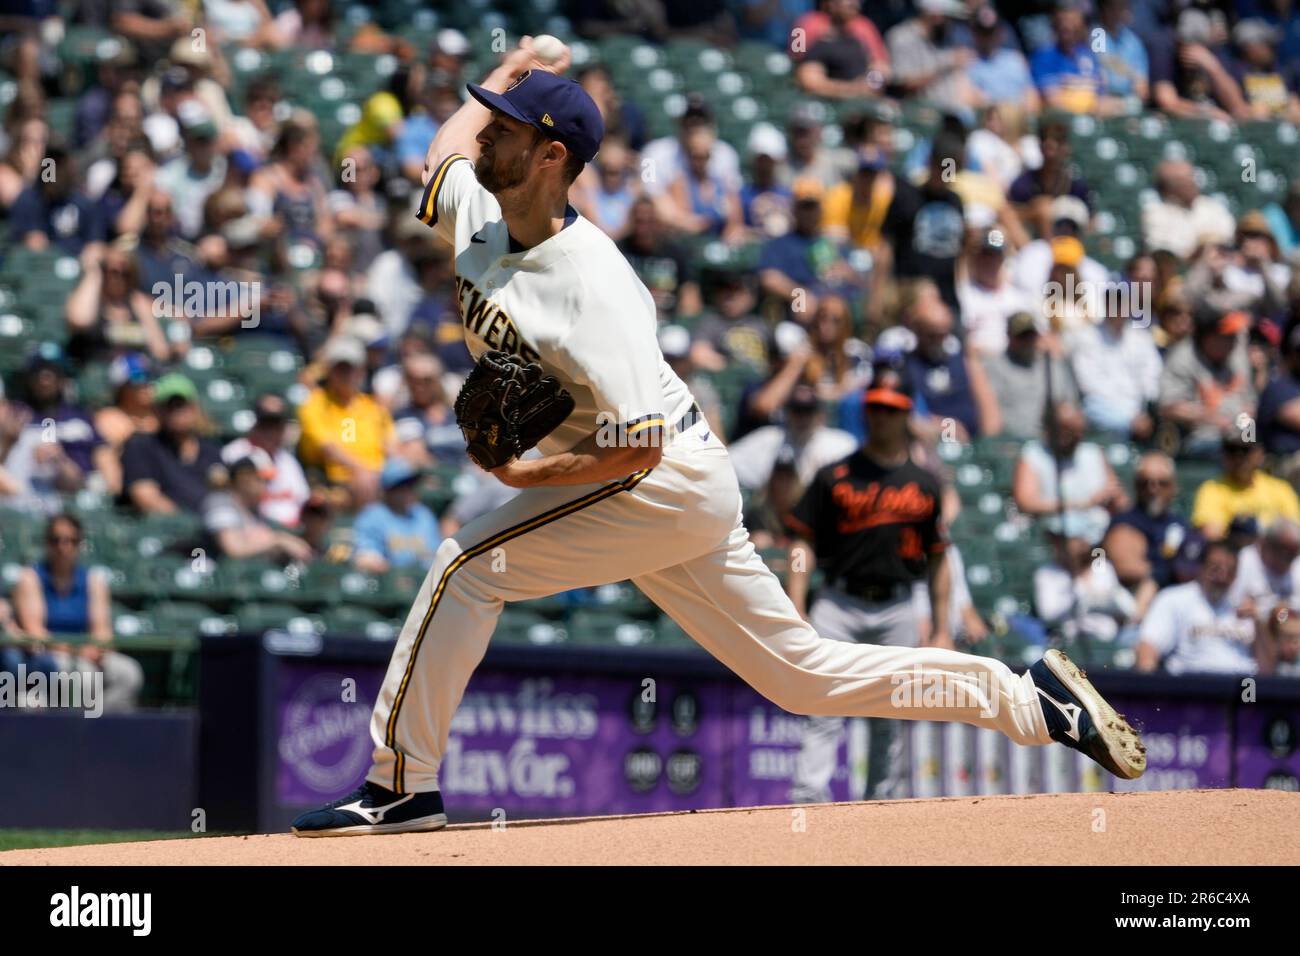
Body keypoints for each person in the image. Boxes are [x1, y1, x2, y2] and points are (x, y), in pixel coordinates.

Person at [290, 40, 1145, 837]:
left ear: (552, 158)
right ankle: (1031, 699)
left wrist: (530, 470)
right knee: (800, 676)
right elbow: (441, 147)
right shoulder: (481, 200)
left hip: (659, 477)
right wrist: (516, 65)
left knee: (466, 567)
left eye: (507, 126)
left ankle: (402, 783)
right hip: (668, 483)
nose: (488, 131)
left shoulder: (598, 291)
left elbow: (641, 446)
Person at [786, 368, 949, 803]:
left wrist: (942, 626)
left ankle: (880, 805)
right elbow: (803, 541)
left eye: (891, 409)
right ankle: (808, 799)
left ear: (906, 414)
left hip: (897, 608)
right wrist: (797, 602)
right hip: (838, 601)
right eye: (875, 407)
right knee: (822, 700)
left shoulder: (925, 483)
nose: (881, 417)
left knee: (889, 712)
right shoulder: (834, 475)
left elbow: (938, 558)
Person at [10, 514, 144, 712]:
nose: (64, 547)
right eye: (56, 540)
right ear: (47, 543)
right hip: (49, 655)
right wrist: (76, 651)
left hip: (86, 652)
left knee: (129, 673)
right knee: (84, 676)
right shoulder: (30, 578)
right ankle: (80, 734)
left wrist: (96, 649)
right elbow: (35, 632)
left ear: (80, 544)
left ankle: (99, 727)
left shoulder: (93, 581)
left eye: (71, 540)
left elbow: (103, 631)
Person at [296, 336, 396, 507]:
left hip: (377, 476)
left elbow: (392, 446)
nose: (347, 375)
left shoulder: (373, 407)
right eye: (340, 369)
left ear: (362, 371)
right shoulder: (315, 403)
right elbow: (328, 447)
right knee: (363, 481)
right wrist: (365, 470)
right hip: (334, 479)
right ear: (330, 372)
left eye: (351, 369)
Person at [1136, 538, 1259, 674]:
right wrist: (1149, 688)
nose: (1222, 577)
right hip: (1193, 687)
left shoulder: (1247, 607)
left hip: (1243, 689)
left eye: (1230, 571)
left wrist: (1260, 624)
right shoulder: (1174, 599)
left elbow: (1267, 668)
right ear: (1201, 567)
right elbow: (1148, 647)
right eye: (1215, 569)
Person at [1012, 401, 1128, 545]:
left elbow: (1120, 500)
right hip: (1055, 537)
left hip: (1099, 536)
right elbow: (1026, 502)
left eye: (1074, 428)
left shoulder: (1093, 453)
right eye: (1063, 427)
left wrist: (1112, 497)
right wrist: (1083, 503)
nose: (1068, 434)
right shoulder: (1034, 454)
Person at [1158, 304, 1256, 459]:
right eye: (1228, 336)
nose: (1235, 340)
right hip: (1202, 440)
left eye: (1235, 335)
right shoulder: (1182, 358)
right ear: (1208, 337)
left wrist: (1244, 429)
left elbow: (1249, 404)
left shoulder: (1237, 356)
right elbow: (1169, 407)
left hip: (1239, 436)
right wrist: (1213, 419)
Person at [120, 373, 225, 514]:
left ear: (195, 408)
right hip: (171, 530)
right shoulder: (141, 446)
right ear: (157, 411)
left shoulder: (212, 449)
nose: (177, 411)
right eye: (169, 406)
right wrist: (190, 523)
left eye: (181, 404)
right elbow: (146, 497)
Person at [1069, 284, 1162, 440]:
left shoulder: (1142, 338)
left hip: (1138, 410)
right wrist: (1130, 418)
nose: (1117, 308)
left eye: (1121, 303)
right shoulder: (1086, 336)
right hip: (1101, 408)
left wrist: (1143, 411)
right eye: (1112, 302)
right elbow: (1088, 385)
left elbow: (1152, 377)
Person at [1102, 452, 1189, 611]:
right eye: (1145, 483)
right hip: (1139, 602)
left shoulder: (1179, 523)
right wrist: (1172, 573)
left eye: (1161, 483)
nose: (1153, 489)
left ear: (1174, 486)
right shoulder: (1125, 522)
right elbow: (1127, 568)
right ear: (1135, 486)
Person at [727, 384, 858, 490]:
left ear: (820, 416)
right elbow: (726, 462)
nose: (802, 418)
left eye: (808, 412)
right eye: (797, 411)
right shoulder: (768, 439)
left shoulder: (842, 444)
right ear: (787, 414)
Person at [1191, 424, 1300, 540]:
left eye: (1245, 450)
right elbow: (1211, 534)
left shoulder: (1280, 489)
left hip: (1274, 554)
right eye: (1232, 450)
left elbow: (1294, 532)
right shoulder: (1212, 489)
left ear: (1260, 453)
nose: (1239, 458)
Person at [982, 311, 1078, 441]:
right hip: (1014, 442)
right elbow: (992, 415)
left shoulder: (1052, 364)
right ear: (1009, 336)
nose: (1027, 341)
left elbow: (1069, 405)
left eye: (1031, 335)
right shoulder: (995, 367)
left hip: (1053, 441)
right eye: (1022, 336)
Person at [1033, 532, 1138, 651]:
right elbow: (1048, 614)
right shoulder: (1047, 573)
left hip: (1107, 638)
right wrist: (1081, 592)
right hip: (1068, 640)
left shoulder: (1102, 567)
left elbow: (1123, 606)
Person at [221, 394, 310, 528]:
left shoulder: (287, 460)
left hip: (292, 529)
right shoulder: (234, 453)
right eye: (266, 424)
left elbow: (303, 499)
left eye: (276, 425)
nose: (271, 431)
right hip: (252, 528)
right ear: (256, 423)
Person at [202, 457, 314, 563]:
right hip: (217, 577)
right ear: (244, 478)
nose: (266, 485)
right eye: (262, 479)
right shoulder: (219, 502)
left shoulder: (253, 510)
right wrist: (278, 541)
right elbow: (233, 550)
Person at [352, 460, 442, 574]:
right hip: (388, 585)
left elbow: (435, 555)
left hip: (425, 582)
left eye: (410, 485)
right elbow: (366, 557)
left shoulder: (423, 514)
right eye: (401, 486)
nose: (407, 491)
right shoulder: (371, 517)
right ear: (387, 491)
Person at [1142, 159, 1237, 259]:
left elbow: (1230, 236)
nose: (1190, 183)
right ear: (1168, 187)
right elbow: (1163, 253)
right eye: (1181, 180)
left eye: (1191, 177)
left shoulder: (1211, 207)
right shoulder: (1155, 213)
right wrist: (1198, 249)